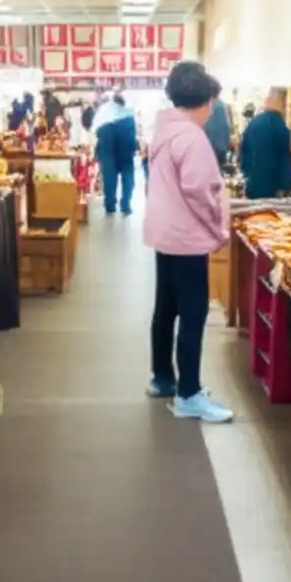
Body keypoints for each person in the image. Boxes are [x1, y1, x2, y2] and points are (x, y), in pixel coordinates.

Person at [144, 61, 233, 424]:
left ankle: (163, 377)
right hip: (187, 238)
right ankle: (189, 393)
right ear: (206, 100)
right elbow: (200, 191)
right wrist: (219, 228)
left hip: (165, 235)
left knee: (166, 308)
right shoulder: (193, 137)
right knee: (193, 314)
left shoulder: (164, 130)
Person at [239, 87, 291, 199]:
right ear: (282, 103)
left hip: (252, 185)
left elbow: (243, 151)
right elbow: (285, 160)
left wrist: (246, 173)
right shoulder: (280, 127)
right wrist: (286, 188)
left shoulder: (253, 123)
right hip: (272, 190)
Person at [94, 95, 138, 215]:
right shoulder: (129, 115)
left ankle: (110, 205)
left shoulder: (104, 113)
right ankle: (125, 205)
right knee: (127, 173)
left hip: (108, 140)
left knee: (109, 174)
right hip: (125, 143)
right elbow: (134, 136)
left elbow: (97, 131)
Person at [202, 93, 232, 168]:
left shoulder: (209, 105)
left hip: (209, 150)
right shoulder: (221, 105)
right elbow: (226, 127)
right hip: (220, 149)